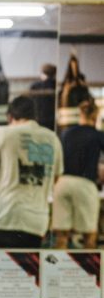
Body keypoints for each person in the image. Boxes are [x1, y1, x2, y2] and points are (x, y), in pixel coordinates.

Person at [0, 95, 63, 249]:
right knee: (22, 271)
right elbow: (55, 179)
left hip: (6, 218)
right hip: (37, 224)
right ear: (34, 116)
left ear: (10, 117)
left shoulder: (4, 133)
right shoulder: (53, 139)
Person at [52, 98, 104, 250]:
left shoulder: (66, 133)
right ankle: (89, 271)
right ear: (95, 116)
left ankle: (56, 272)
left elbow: (57, 160)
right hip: (85, 184)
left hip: (63, 183)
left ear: (80, 114)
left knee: (61, 236)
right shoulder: (98, 135)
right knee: (89, 236)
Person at [29, 63, 57, 131]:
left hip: (38, 119)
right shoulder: (55, 85)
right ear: (54, 74)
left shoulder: (35, 86)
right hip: (53, 120)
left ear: (42, 73)